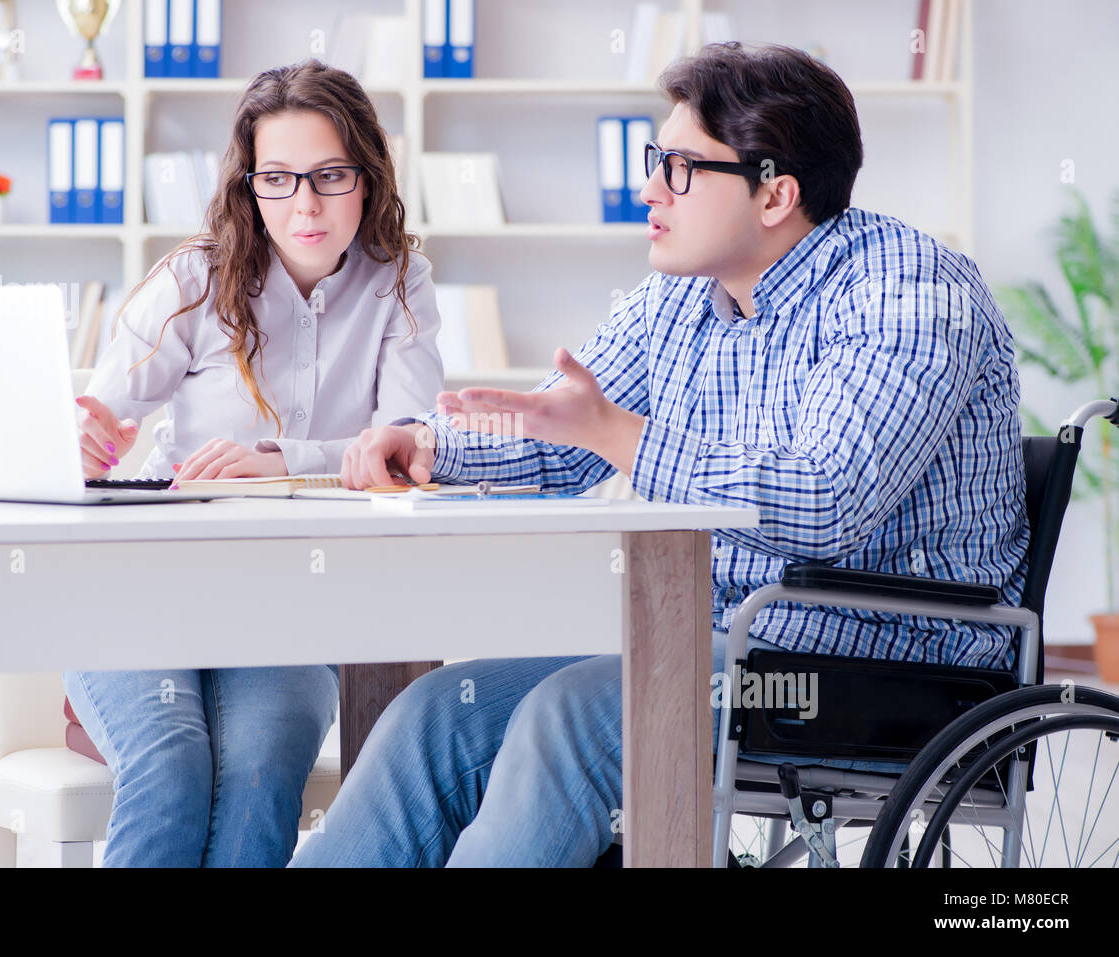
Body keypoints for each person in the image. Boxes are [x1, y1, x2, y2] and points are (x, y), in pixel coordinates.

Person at [291, 42, 1030, 867]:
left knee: (572, 715)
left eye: (679, 168)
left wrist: (618, 433)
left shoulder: (914, 294)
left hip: (883, 664)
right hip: (714, 637)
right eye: (655, 161)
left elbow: (826, 497)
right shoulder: (681, 295)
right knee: (434, 717)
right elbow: (564, 428)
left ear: (775, 193)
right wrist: (429, 445)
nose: (649, 189)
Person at [63, 59, 443, 867]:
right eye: (278, 177)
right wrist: (84, 437)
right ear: (249, 184)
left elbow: (406, 453)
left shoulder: (401, 283)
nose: (304, 203)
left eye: (329, 176)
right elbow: (97, 422)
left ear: (368, 179)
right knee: (172, 764)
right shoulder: (194, 279)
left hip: (290, 611)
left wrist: (280, 460)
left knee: (262, 768)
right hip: (146, 593)